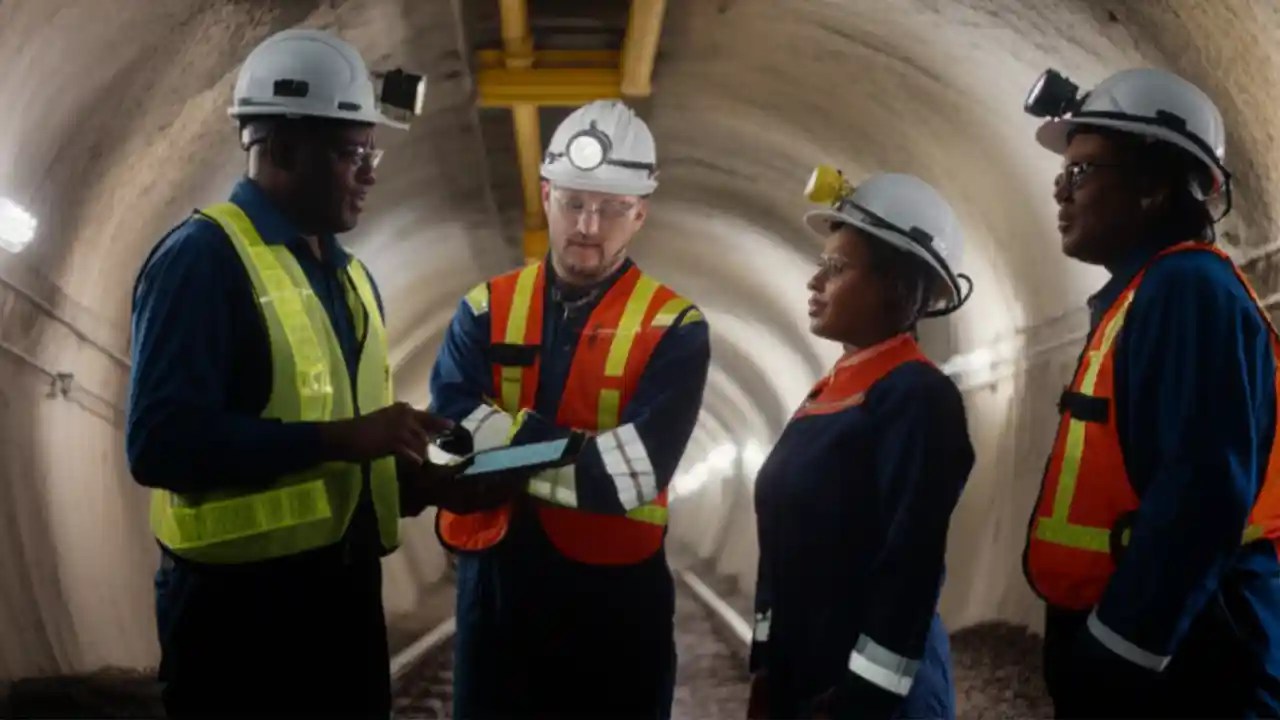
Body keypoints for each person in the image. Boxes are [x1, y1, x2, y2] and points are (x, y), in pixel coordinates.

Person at [126, 28, 478, 719]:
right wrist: (343, 439)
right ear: (280, 148)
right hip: (237, 623)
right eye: (352, 153)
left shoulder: (350, 279)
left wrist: (413, 477)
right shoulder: (202, 260)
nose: (371, 171)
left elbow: (346, 456)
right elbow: (161, 443)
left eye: (369, 151)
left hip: (340, 602)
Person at [428, 99, 711, 719]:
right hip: (495, 591)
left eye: (611, 208)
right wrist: (576, 450)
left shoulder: (674, 327)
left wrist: (505, 450)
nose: (588, 223)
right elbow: (448, 443)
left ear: (639, 213)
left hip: (614, 600)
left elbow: (631, 476)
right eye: (575, 202)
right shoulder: (483, 309)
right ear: (546, 192)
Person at [1021, 67, 1280, 717]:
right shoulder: (1144, 295)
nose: (1060, 189)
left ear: (1155, 188)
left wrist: (1116, 654)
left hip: (1186, 669)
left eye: (1081, 171)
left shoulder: (1187, 289)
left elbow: (1203, 492)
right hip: (1168, 659)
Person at [747, 166, 976, 720]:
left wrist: (865, 698)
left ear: (896, 287)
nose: (814, 281)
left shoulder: (918, 397)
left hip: (873, 696)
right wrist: (766, 667)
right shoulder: (827, 393)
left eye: (836, 268)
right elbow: (781, 553)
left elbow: (910, 566)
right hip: (805, 677)